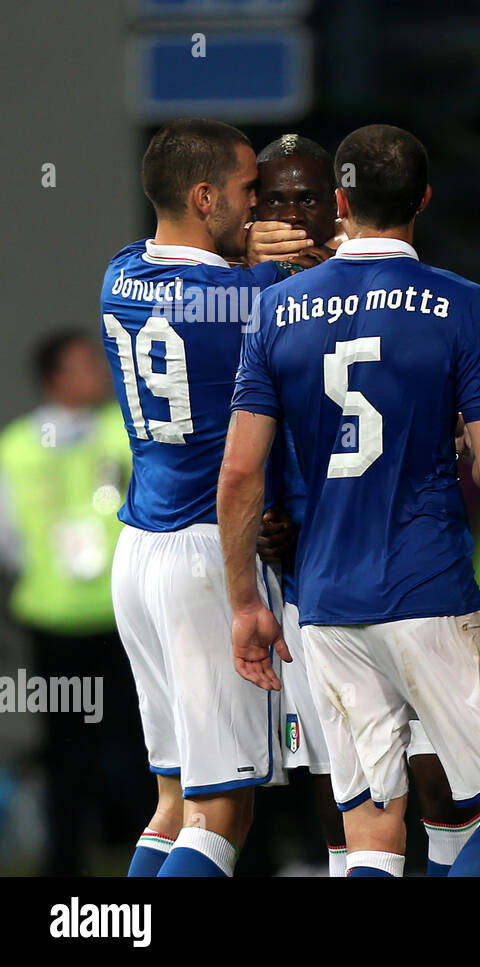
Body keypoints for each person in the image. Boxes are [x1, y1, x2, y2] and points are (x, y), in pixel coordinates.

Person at [220, 123, 480, 877]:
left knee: (371, 827)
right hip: (427, 582)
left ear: (341, 202)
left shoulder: (276, 311)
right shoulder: (463, 304)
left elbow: (240, 473)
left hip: (328, 600)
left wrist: (246, 599)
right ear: (425, 199)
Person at [101, 118, 290, 876]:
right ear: (206, 195)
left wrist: (248, 257)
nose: (259, 208)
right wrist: (283, 264)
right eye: (249, 192)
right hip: (206, 555)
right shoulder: (248, 298)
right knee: (223, 807)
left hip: (138, 553)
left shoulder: (119, 271)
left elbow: (208, 283)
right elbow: (272, 306)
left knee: (173, 800)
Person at [0, 332, 147, 874]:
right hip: (57, 624)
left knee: (140, 746)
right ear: (55, 379)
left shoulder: (122, 429)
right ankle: (65, 868)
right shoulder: (16, 446)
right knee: (68, 750)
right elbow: (8, 535)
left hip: (121, 617)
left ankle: (143, 861)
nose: (100, 373)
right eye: (86, 365)